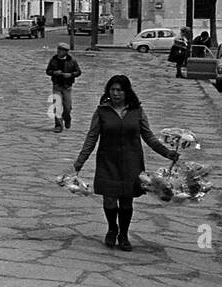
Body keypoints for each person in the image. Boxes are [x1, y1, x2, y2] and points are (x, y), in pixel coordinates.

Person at [74, 75, 179, 251]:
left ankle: (123, 234)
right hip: (108, 162)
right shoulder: (102, 111)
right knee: (109, 199)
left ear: (127, 92)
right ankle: (112, 228)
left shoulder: (137, 111)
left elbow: (149, 136)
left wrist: (167, 153)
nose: (116, 93)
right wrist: (79, 163)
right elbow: (91, 139)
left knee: (126, 202)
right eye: (113, 90)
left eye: (120, 90)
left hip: (132, 162)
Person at [46, 41, 82, 132]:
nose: (59, 52)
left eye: (61, 50)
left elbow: (78, 72)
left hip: (67, 87)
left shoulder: (72, 61)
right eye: (58, 50)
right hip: (57, 86)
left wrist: (71, 75)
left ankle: (67, 118)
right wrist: (54, 73)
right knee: (57, 105)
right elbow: (48, 71)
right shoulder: (54, 60)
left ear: (66, 52)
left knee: (67, 107)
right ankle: (58, 125)